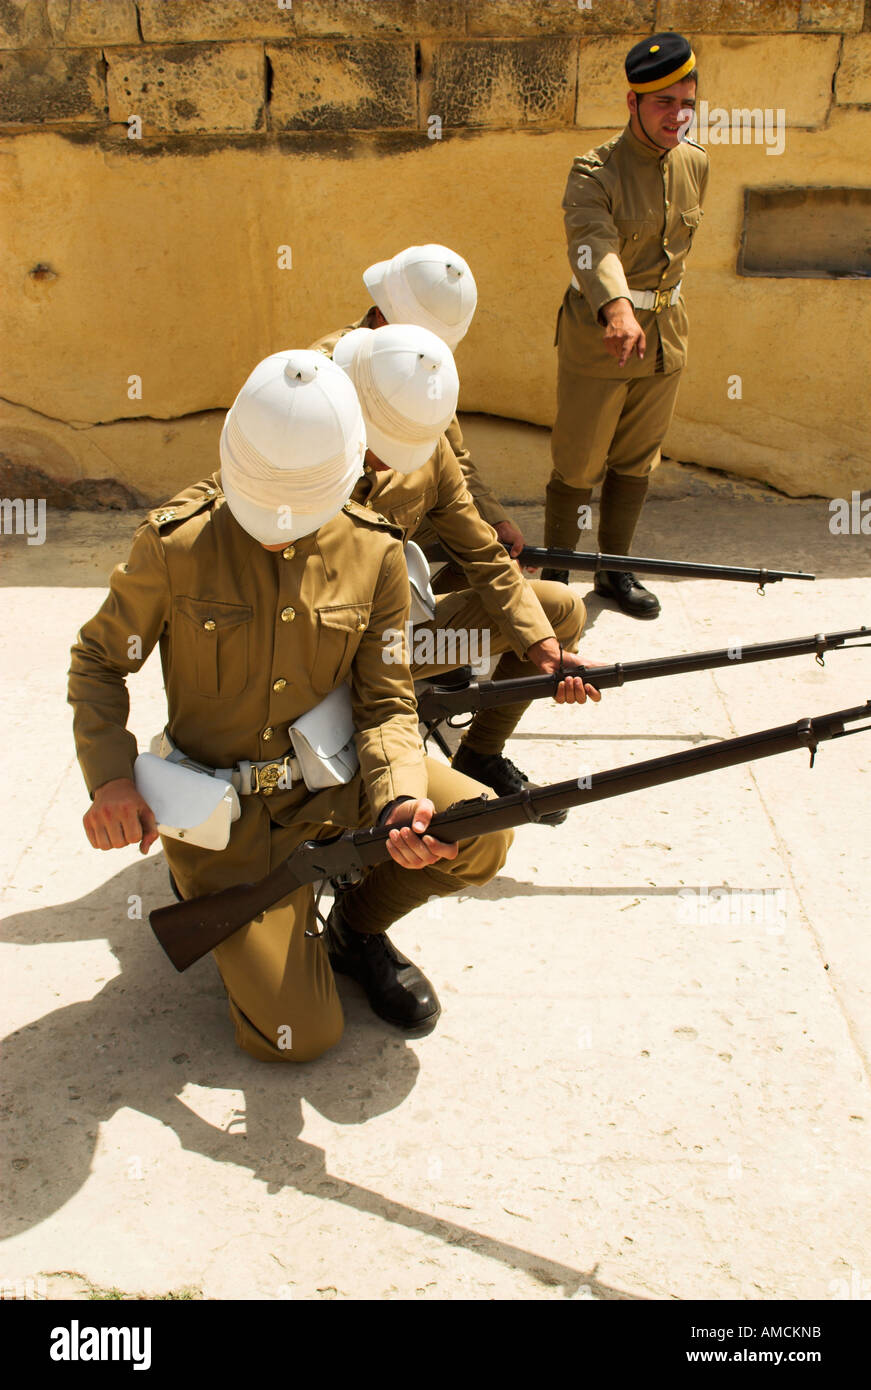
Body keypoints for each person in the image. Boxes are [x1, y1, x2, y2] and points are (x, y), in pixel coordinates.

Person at [68, 350, 514, 1059]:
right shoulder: (175, 544)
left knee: (480, 828)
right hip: (228, 819)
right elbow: (99, 663)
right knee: (298, 1040)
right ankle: (252, 911)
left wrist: (399, 801)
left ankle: (354, 929)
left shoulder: (373, 553)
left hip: (337, 785)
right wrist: (111, 777)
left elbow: (387, 702)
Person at [329, 322, 602, 804]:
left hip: (394, 645)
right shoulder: (302, 447)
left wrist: (541, 648)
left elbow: (482, 555)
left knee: (557, 611)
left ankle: (479, 753)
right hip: (304, 656)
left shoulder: (431, 452)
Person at [544, 31, 709, 618]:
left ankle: (614, 570)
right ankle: (557, 571)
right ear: (633, 102)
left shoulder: (695, 164)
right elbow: (592, 244)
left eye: (686, 102)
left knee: (638, 458)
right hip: (601, 338)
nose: (678, 116)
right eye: (664, 102)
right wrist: (616, 310)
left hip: (665, 335)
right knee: (579, 458)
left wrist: (647, 316)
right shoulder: (595, 171)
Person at [311, 242, 527, 575]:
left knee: (476, 536)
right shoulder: (324, 371)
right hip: (330, 531)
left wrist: (494, 519)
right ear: (381, 317)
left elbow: (454, 455)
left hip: (393, 519)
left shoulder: (421, 369)